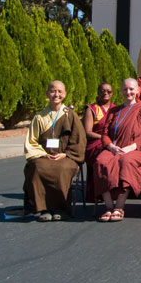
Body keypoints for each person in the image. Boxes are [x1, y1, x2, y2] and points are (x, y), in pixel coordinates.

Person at [93, 78, 141, 222]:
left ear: (137, 90)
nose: (128, 92)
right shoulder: (114, 111)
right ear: (121, 91)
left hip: (136, 150)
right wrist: (111, 146)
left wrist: (132, 147)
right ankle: (108, 206)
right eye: (125, 89)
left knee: (126, 162)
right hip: (115, 148)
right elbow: (105, 133)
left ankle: (119, 206)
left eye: (132, 89)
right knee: (100, 161)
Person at [23, 81, 85, 221]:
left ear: (65, 94)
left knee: (62, 169)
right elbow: (31, 141)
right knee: (37, 168)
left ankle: (60, 208)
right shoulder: (39, 116)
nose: (56, 94)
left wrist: (66, 154)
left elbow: (79, 140)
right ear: (47, 93)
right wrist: (43, 154)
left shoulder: (70, 115)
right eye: (52, 91)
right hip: (44, 156)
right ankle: (43, 208)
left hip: (66, 156)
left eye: (60, 91)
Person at [83, 83, 115, 202]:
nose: (105, 93)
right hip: (95, 143)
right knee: (103, 156)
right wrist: (104, 138)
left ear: (112, 94)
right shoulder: (91, 109)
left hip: (111, 143)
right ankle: (97, 192)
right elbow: (88, 132)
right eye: (102, 91)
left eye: (108, 91)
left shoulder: (115, 108)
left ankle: (113, 190)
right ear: (98, 92)